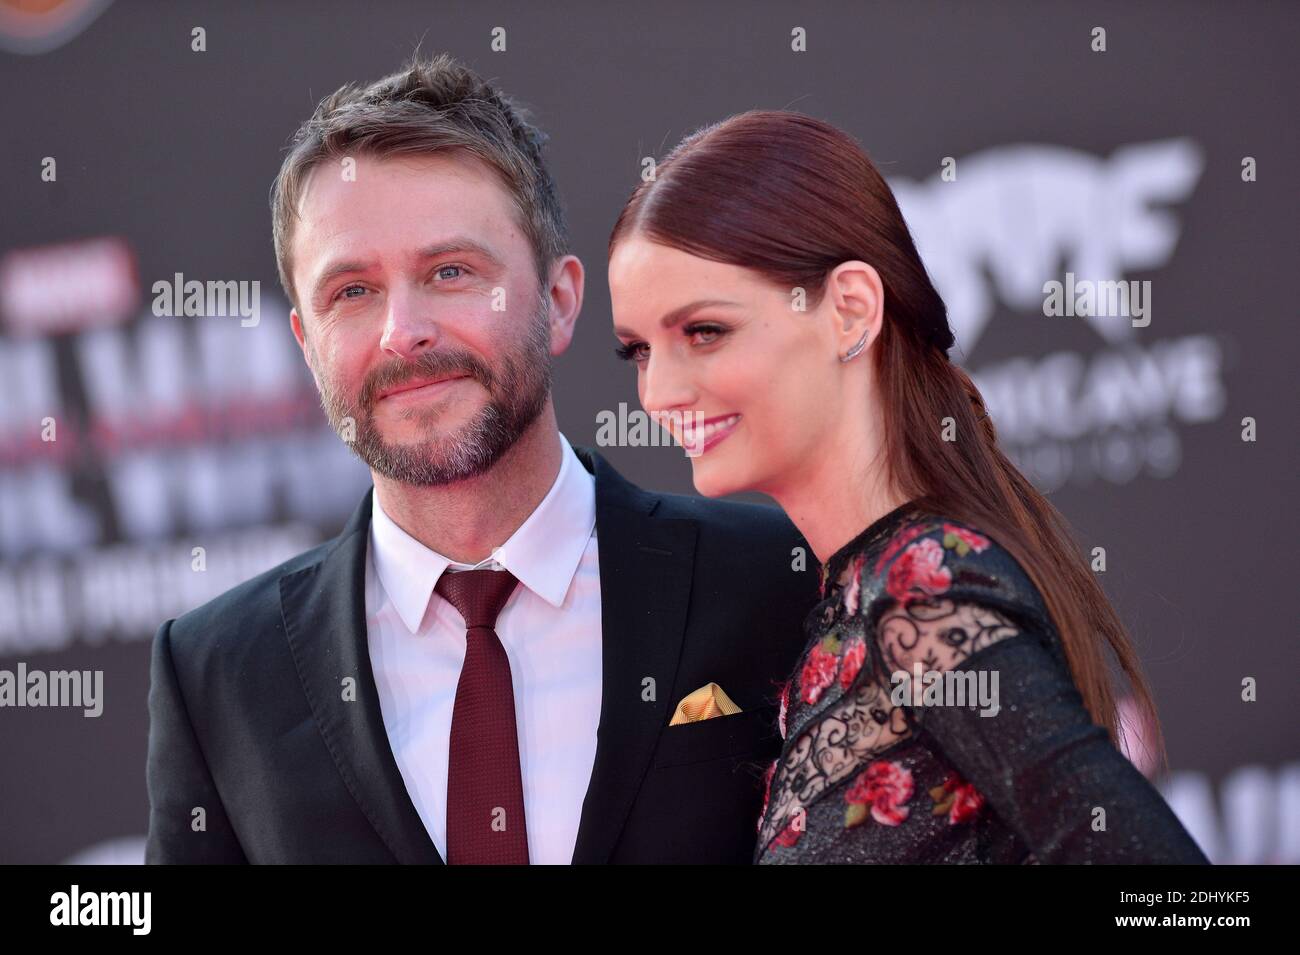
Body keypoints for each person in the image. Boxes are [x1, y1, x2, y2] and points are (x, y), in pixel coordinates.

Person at [144, 56, 820, 864]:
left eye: (450, 271)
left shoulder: (779, 578)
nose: (404, 330)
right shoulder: (217, 675)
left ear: (560, 301)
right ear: (307, 344)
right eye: (351, 292)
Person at [606, 110, 1210, 864]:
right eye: (637, 350)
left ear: (850, 311)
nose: (658, 392)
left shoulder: (923, 590)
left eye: (704, 331)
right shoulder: (855, 596)